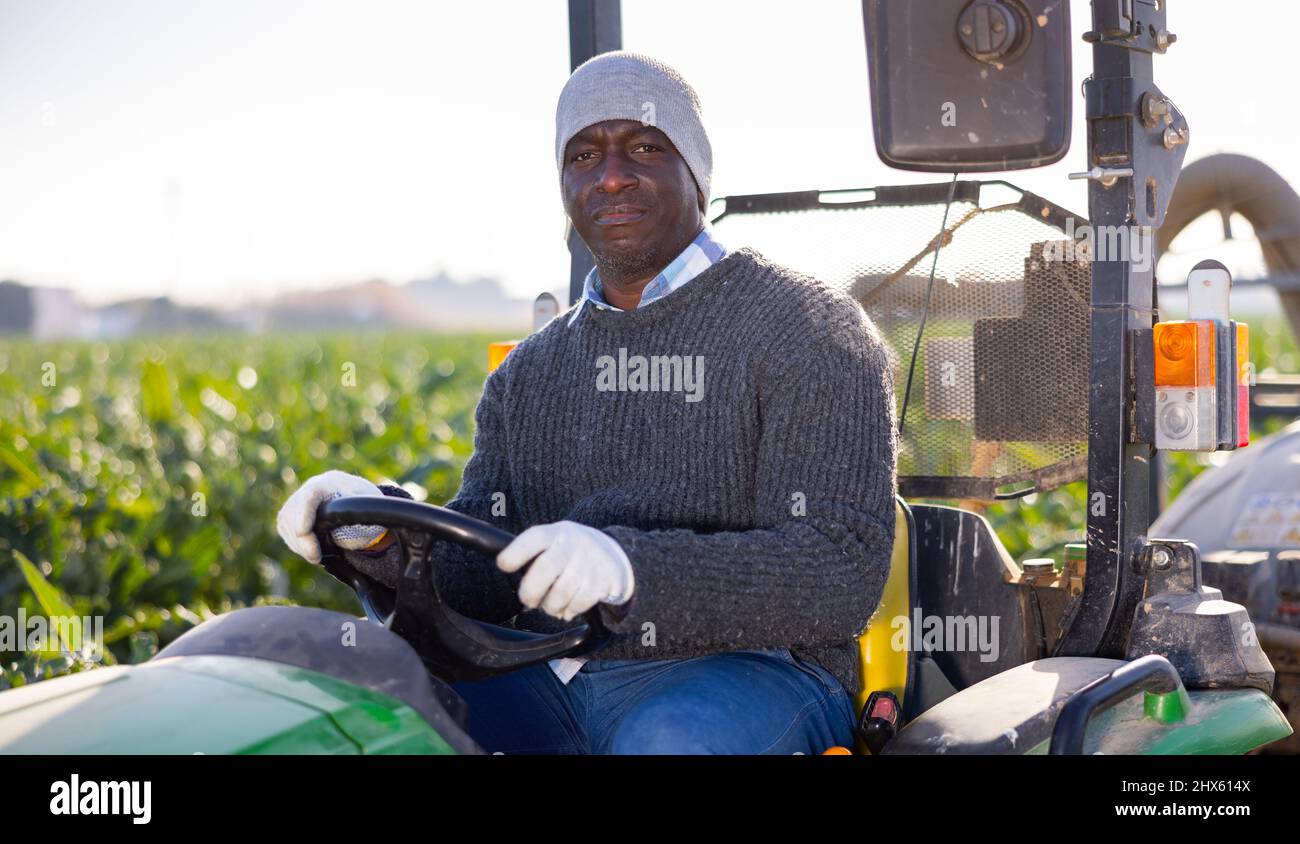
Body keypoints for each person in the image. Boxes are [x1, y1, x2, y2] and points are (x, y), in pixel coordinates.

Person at [277, 51, 898, 754]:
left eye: (643, 147)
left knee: (669, 744)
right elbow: (484, 572)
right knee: (361, 714)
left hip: (753, 672)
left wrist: (630, 569)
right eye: (583, 155)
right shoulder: (531, 369)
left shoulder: (809, 329)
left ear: (695, 172)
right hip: (547, 669)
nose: (610, 175)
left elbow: (837, 570)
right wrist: (380, 539)